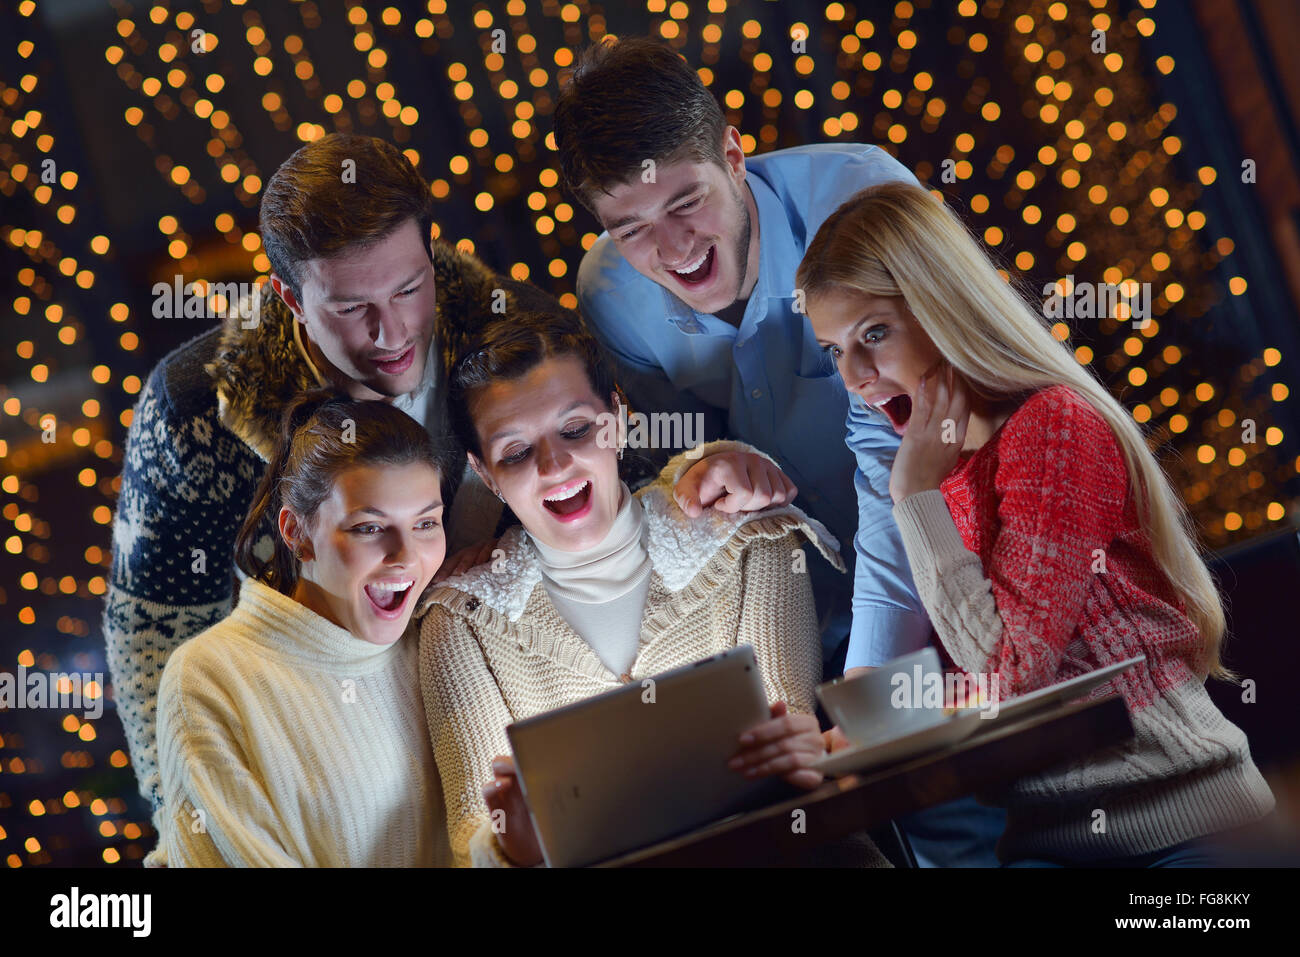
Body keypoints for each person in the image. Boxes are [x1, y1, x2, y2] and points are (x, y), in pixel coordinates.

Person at [104, 131, 783, 857]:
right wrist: (187, 804)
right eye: (349, 307)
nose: (391, 330)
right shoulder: (192, 409)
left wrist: (696, 468)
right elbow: (151, 627)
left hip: (483, 709)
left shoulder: (507, 328)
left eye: (408, 288)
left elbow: (613, 460)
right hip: (309, 742)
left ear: (431, 257)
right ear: (290, 299)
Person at [556, 34, 1004, 867]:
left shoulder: (860, 197)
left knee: (952, 801)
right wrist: (702, 464)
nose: (672, 248)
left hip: (964, 557)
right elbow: (673, 459)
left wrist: (869, 696)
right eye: (631, 227)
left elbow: (901, 465)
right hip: (805, 604)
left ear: (734, 154)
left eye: (687, 202)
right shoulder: (610, 293)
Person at [798, 181, 1277, 866]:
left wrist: (912, 494)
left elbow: (1016, 674)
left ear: (942, 306)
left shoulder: (1049, 428)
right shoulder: (943, 471)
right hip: (1048, 842)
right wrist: (884, 726)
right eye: (833, 350)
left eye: (874, 333)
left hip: (1184, 826)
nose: (857, 376)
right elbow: (993, 676)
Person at [416, 311, 886, 868]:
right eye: (515, 453)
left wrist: (801, 753)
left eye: (575, 429)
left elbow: (791, 730)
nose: (556, 465)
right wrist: (513, 851)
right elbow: (475, 832)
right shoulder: (463, 619)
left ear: (616, 417)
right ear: (486, 474)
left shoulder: (747, 536)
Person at [155, 394, 452, 866]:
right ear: (296, 533)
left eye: (426, 523)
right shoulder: (210, 677)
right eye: (369, 528)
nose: (407, 556)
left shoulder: (444, 634)